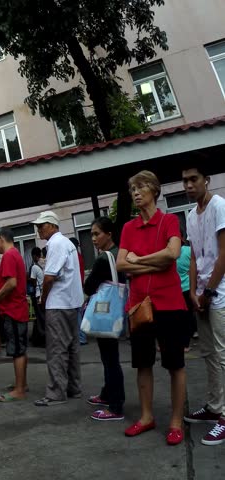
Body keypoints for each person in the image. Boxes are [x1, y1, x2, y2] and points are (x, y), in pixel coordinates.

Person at [116, 170, 187, 446]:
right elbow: (121, 264)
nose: (136, 192)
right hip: (139, 306)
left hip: (169, 303)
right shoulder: (128, 228)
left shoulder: (169, 220)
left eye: (141, 187)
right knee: (142, 363)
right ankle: (147, 417)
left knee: (175, 364)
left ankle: (176, 422)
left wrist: (139, 260)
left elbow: (172, 255)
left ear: (154, 191)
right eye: (133, 188)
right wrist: (153, 263)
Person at [182, 165, 225, 446]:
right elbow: (195, 258)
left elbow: (224, 253)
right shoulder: (189, 215)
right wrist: (193, 292)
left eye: (193, 179)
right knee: (208, 353)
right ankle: (214, 407)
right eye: (184, 181)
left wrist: (208, 290)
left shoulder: (219, 206)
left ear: (206, 180)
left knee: (222, 355)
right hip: (202, 295)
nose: (188, 185)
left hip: (220, 293)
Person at [32, 210, 84, 407]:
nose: (38, 229)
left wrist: (44, 299)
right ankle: (74, 387)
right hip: (71, 302)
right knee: (72, 347)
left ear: (53, 225)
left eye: (42, 225)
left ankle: (55, 393)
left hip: (59, 303)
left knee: (56, 349)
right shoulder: (68, 243)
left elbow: (49, 277)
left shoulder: (54, 244)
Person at [83, 217, 126, 421]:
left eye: (97, 233)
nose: (93, 238)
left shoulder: (103, 259)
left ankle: (115, 406)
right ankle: (107, 394)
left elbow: (88, 287)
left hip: (105, 315)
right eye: (91, 234)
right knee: (110, 357)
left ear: (109, 234)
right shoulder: (121, 254)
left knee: (110, 360)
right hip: (117, 311)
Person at [0, 227, 30, 403]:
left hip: (13, 310)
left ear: (1, 238)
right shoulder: (16, 254)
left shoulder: (9, 255)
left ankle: (19, 390)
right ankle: (22, 384)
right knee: (20, 349)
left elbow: (11, 283)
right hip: (17, 308)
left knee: (17, 351)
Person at [176, 233, 194, 352]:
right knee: (188, 317)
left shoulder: (167, 253)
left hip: (175, 289)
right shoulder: (189, 250)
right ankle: (186, 345)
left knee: (177, 318)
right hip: (188, 288)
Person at [29, 247, 47, 347]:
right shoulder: (43, 265)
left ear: (33, 256)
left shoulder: (35, 267)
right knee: (40, 317)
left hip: (37, 295)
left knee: (40, 318)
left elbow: (33, 281)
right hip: (43, 293)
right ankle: (35, 338)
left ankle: (42, 339)